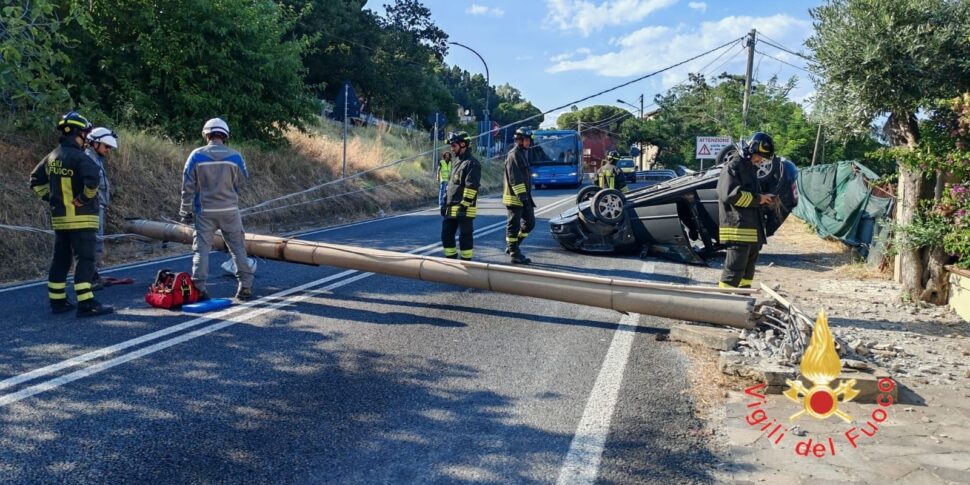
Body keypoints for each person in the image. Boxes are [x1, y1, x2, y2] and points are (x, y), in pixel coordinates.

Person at [29, 111, 114, 317]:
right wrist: (83, 200)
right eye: (85, 133)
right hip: (83, 219)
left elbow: (35, 180)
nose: (86, 137)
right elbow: (92, 180)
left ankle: (57, 301)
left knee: (61, 260)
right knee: (85, 259)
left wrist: (51, 198)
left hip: (60, 220)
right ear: (77, 133)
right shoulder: (80, 158)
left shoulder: (52, 157)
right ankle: (87, 303)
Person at [179, 118, 254, 301]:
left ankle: (200, 288)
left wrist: (185, 211)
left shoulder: (196, 155)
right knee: (237, 249)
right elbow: (243, 182)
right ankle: (245, 287)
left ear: (206, 134)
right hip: (230, 211)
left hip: (204, 212)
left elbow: (187, 185)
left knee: (201, 250)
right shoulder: (236, 156)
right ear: (225, 135)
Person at [716, 132, 776, 289]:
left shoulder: (748, 168)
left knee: (747, 273)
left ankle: (743, 304)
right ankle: (722, 306)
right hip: (738, 229)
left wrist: (763, 198)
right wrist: (758, 199)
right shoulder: (734, 167)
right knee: (733, 271)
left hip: (750, 230)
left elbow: (750, 195)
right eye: (759, 156)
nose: (760, 160)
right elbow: (729, 195)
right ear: (751, 150)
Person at [84, 127, 118, 290]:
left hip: (98, 207)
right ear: (95, 143)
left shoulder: (96, 159)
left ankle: (93, 274)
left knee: (97, 243)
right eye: (106, 146)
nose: (108, 150)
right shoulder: (88, 159)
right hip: (92, 208)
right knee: (92, 243)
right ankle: (88, 278)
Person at [441, 131, 481, 261]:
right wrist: (444, 201)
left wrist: (464, 205)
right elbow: (451, 185)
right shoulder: (456, 162)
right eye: (451, 145)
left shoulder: (472, 163)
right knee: (446, 234)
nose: (451, 148)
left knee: (465, 236)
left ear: (463, 144)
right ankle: (451, 260)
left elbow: (471, 186)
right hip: (451, 207)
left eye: (453, 145)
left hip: (465, 208)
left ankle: (466, 263)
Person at [503, 127, 536, 264]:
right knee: (513, 226)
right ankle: (515, 254)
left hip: (524, 197)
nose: (528, 143)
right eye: (526, 140)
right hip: (515, 198)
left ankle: (513, 245)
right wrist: (523, 197)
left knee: (530, 224)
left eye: (529, 140)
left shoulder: (523, 153)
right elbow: (515, 179)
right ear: (519, 140)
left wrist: (526, 198)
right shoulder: (514, 155)